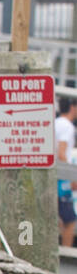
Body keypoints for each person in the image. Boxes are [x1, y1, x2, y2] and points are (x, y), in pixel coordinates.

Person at [55, 96, 75, 248]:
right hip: (61, 178)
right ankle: (66, 253)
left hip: (51, 175)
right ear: (73, 107)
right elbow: (61, 153)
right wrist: (72, 178)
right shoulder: (67, 126)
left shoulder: (54, 123)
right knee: (69, 220)